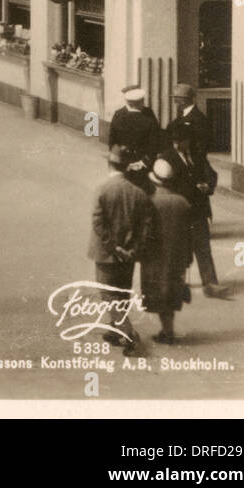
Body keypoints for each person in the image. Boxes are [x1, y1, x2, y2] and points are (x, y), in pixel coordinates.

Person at [87, 145, 154, 350]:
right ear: (127, 167)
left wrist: (114, 247)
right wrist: (132, 249)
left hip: (107, 253)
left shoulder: (103, 190)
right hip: (129, 254)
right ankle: (115, 330)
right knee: (122, 291)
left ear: (109, 164)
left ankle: (127, 332)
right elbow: (146, 226)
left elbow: (98, 224)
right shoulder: (139, 193)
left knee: (108, 293)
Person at [160, 128, 232, 300]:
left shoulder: (198, 155)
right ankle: (177, 285)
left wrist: (208, 185)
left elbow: (212, 175)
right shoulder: (166, 158)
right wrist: (194, 188)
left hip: (199, 211)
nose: (177, 145)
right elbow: (167, 185)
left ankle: (210, 285)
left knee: (203, 248)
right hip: (179, 211)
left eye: (181, 141)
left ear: (188, 140)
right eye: (175, 141)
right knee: (179, 250)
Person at [140, 159, 194, 346]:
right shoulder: (183, 203)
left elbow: (146, 231)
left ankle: (167, 331)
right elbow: (189, 233)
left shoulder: (151, 203)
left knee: (159, 291)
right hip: (177, 255)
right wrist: (188, 257)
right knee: (171, 290)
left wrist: (141, 251)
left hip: (156, 256)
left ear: (154, 182)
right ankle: (168, 329)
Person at [108, 86, 161, 182]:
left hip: (122, 162)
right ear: (139, 102)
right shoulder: (148, 115)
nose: (143, 102)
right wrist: (144, 162)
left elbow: (112, 141)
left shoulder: (118, 114)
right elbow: (156, 141)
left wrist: (118, 160)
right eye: (141, 101)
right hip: (144, 162)